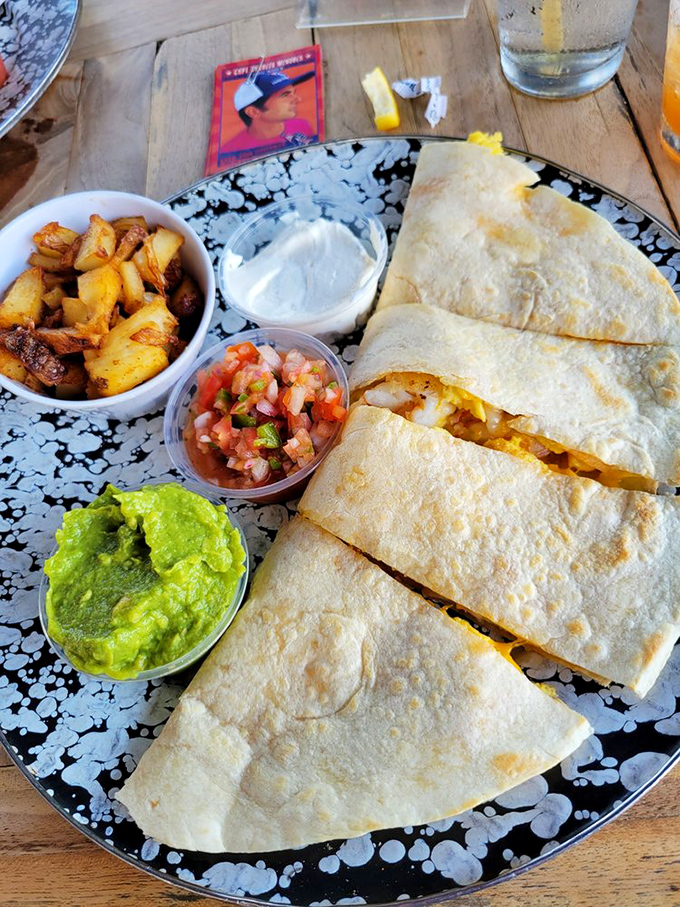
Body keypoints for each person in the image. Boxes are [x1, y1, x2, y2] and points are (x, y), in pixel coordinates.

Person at [223, 68, 316, 157]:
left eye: (293, 93)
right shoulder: (231, 151)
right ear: (253, 112)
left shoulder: (302, 126)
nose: (298, 99)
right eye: (285, 95)